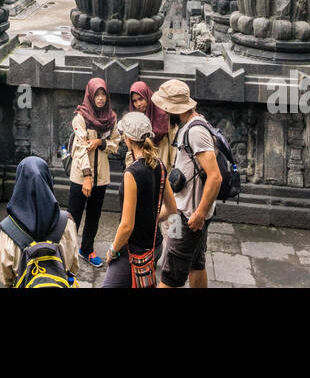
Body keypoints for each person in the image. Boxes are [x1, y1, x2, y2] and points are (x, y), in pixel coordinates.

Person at [152, 79, 221, 289]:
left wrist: (199, 213)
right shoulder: (188, 125)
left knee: (170, 275)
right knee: (195, 264)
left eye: (165, 108)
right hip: (182, 212)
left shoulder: (195, 131)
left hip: (189, 217)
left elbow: (215, 176)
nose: (163, 112)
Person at [102, 111, 176, 288]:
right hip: (154, 244)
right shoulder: (159, 165)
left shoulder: (132, 173)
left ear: (127, 138)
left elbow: (127, 225)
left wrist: (112, 250)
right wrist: (152, 220)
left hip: (132, 250)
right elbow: (173, 208)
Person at [0, 156, 79, 287]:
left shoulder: (8, 229)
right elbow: (74, 266)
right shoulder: (67, 222)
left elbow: (6, 276)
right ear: (48, 180)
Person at [67, 77, 120, 267]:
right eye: (96, 95)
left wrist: (101, 142)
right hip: (81, 176)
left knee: (94, 214)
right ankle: (67, 251)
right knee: (73, 215)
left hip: (102, 176)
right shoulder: (80, 117)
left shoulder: (111, 118)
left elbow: (116, 143)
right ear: (90, 95)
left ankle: (86, 249)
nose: (100, 99)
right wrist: (87, 177)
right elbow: (80, 148)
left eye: (103, 95)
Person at [128, 80, 173, 170]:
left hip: (161, 161)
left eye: (141, 99)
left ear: (147, 96)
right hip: (142, 165)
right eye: (134, 101)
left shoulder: (163, 116)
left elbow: (172, 144)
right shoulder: (133, 120)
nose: (138, 104)